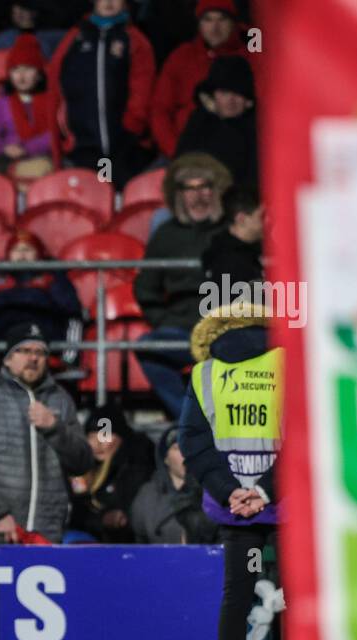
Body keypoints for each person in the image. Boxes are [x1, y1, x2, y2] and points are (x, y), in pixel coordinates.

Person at [178, 302, 281, 640]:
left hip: (233, 504)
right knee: (314, 596)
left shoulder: (204, 373)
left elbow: (192, 441)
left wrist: (231, 492)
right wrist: (264, 489)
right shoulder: (290, 363)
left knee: (236, 600)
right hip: (285, 497)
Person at [0, 323, 93, 544]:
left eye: (40, 352)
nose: (33, 358)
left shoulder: (61, 400)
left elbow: (82, 462)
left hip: (46, 532)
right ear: (7, 358)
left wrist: (55, 428)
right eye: (23, 351)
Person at [133, 151, 230, 418]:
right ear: (179, 195)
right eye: (190, 188)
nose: (198, 195)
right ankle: (192, 418)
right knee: (147, 347)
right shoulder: (166, 235)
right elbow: (145, 287)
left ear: (217, 190)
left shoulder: (234, 229)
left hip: (227, 329)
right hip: (182, 330)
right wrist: (164, 321)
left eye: (205, 187)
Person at [48, 0, 156, 187]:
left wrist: (132, 127)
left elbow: (143, 88)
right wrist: (65, 132)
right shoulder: (74, 38)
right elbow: (55, 87)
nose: (108, 2)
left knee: (116, 199)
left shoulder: (134, 39)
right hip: (81, 144)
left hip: (122, 145)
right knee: (88, 202)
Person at [150, 0, 252, 157]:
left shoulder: (250, 59)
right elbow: (160, 110)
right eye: (208, 19)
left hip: (238, 154)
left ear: (233, 23)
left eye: (222, 19)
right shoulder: (181, 57)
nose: (215, 27)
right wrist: (177, 152)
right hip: (183, 155)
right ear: (199, 24)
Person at [67, 403, 155, 543]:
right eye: (91, 436)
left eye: (105, 436)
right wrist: (101, 519)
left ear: (121, 437)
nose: (97, 444)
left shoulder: (137, 466)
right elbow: (75, 511)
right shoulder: (82, 467)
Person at [0, 33, 59, 181]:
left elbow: (54, 134)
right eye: (16, 70)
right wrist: (4, 148)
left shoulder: (51, 100)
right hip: (8, 157)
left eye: (27, 69)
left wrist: (26, 149)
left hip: (42, 157)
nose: (21, 75)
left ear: (39, 74)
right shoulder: (2, 103)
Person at [175, 55, 258, 190]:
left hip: (238, 204)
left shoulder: (255, 130)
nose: (231, 99)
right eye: (224, 92)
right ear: (213, 95)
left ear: (247, 99)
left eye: (238, 93)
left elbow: (253, 180)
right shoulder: (199, 121)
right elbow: (180, 165)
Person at [130, 424, 217, 544]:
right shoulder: (148, 495)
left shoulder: (215, 491)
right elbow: (140, 540)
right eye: (178, 448)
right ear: (165, 458)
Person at [202, 184, 264, 296]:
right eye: (262, 216)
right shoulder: (225, 262)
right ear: (241, 218)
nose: (269, 221)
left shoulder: (258, 251)